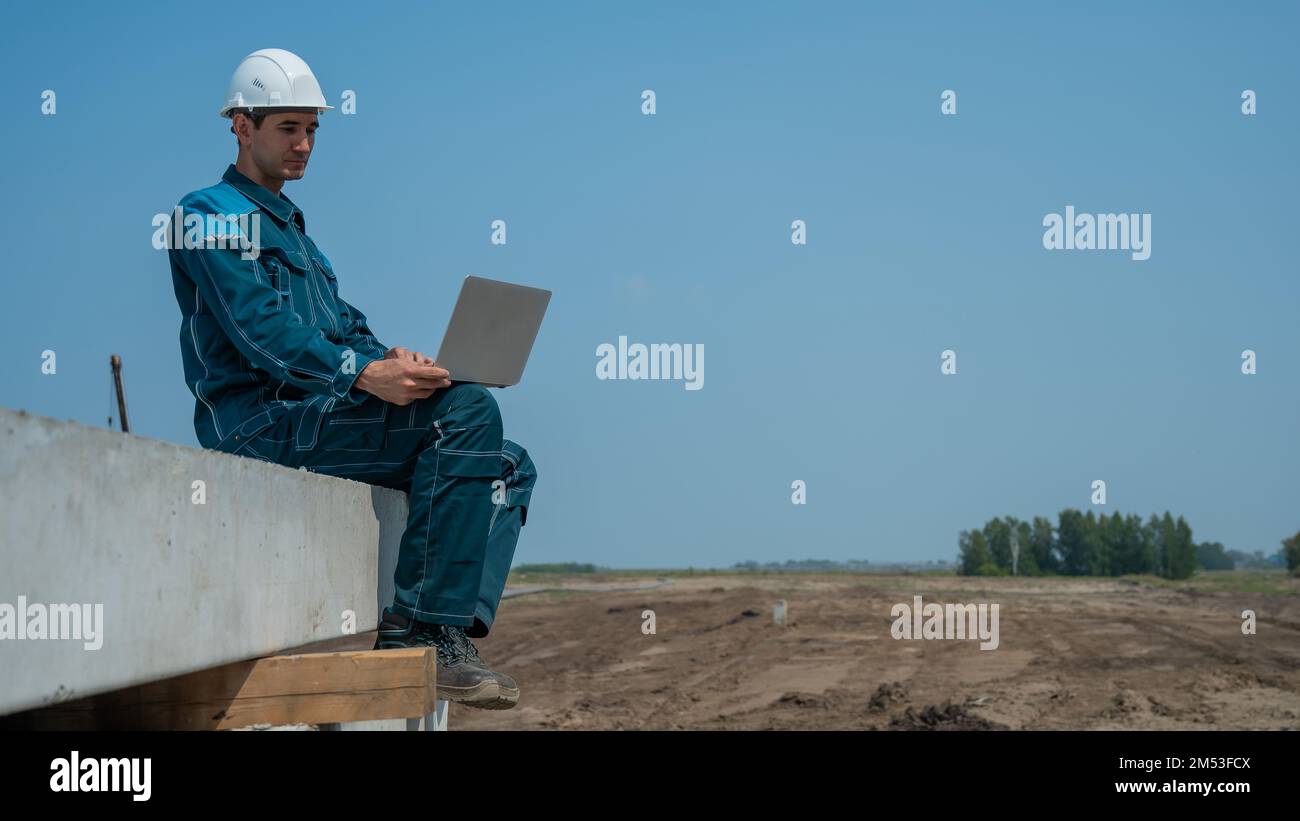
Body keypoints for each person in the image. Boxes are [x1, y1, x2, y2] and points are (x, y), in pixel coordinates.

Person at [167, 48, 534, 710]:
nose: (305, 144)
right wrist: (362, 373)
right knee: (467, 415)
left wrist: (401, 365)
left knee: (507, 464)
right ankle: (423, 633)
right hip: (263, 426)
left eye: (313, 129)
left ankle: (439, 629)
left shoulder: (300, 238)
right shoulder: (207, 214)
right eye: (288, 128)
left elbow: (341, 327)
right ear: (241, 126)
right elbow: (261, 330)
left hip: (322, 420)